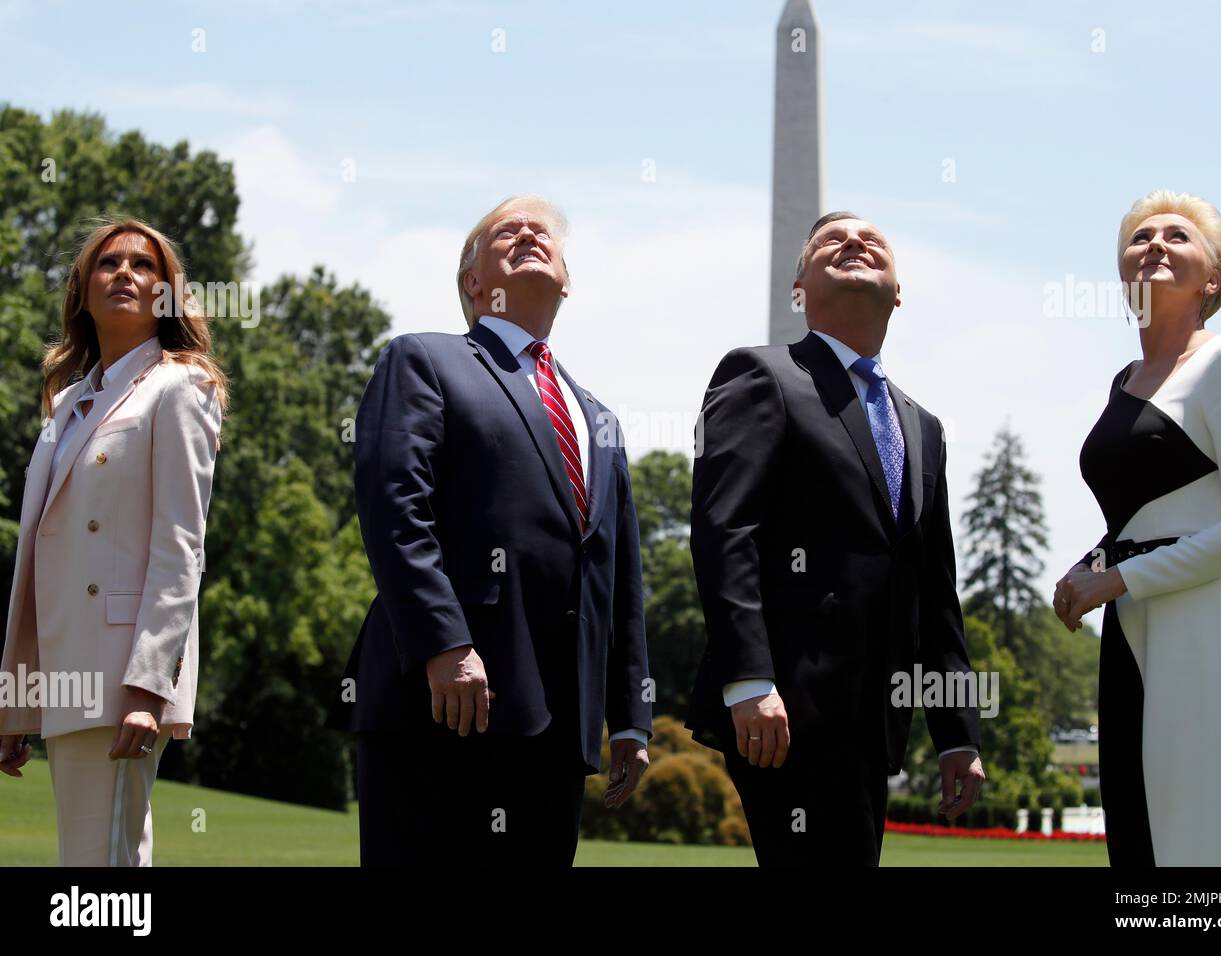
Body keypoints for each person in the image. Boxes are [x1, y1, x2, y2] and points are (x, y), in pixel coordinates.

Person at [328, 195, 652, 866]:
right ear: (473, 283)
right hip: (442, 704)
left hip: (559, 728)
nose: (532, 233)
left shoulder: (598, 418)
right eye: (506, 232)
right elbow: (395, 506)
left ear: (566, 278)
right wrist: (444, 642)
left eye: (546, 234)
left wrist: (630, 714)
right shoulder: (424, 360)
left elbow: (619, 576)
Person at [686, 211, 984, 866]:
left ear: (898, 291)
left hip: (873, 724)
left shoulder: (922, 426)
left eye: (873, 239)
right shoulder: (760, 376)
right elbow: (723, 531)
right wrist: (749, 678)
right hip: (783, 711)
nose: (854, 242)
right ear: (799, 289)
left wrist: (958, 733)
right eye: (831, 242)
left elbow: (935, 592)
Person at [1056, 190, 1221, 866]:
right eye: (1140, 238)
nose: (1155, 244)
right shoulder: (1122, 382)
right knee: (1143, 842)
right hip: (1133, 632)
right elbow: (1147, 515)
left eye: (1178, 236)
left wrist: (1120, 577)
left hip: (1206, 634)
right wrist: (1090, 567)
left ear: (1213, 277)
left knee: (1202, 846)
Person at [0, 217, 225, 866]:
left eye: (144, 264)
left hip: (126, 673)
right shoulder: (69, 402)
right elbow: (40, 560)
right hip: (66, 674)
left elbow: (181, 546)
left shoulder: (181, 386)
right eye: (108, 263)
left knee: (109, 866)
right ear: (82, 290)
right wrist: (19, 699)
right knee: (85, 861)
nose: (125, 273)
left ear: (166, 294)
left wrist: (150, 686)